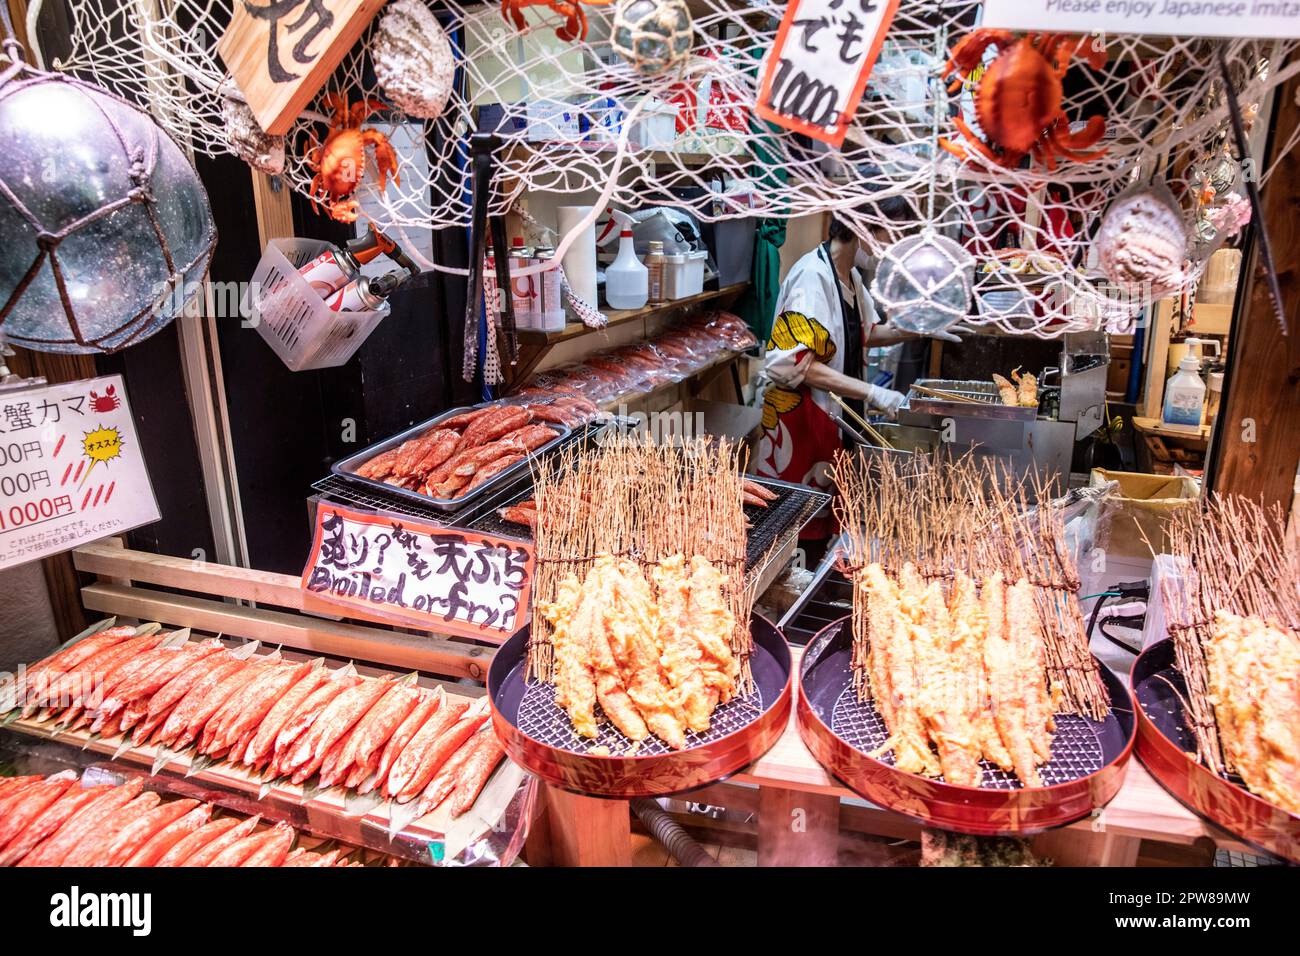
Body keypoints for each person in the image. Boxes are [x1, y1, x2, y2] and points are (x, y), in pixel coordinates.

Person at [754, 215, 914, 543]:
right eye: (890, 233)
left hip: (831, 425)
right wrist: (873, 393)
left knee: (825, 527)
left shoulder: (850, 276)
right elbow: (793, 364)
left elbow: (866, 333)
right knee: (793, 532)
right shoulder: (812, 277)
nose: (891, 246)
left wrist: (916, 329)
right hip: (800, 426)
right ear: (863, 224)